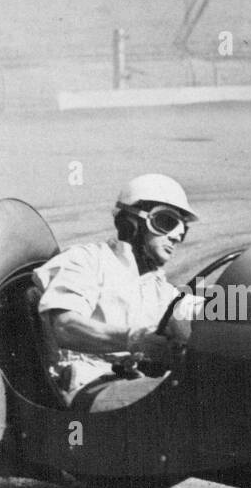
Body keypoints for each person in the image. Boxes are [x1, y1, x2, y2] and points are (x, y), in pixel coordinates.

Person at [34, 174, 204, 409]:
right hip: (89, 386)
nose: (176, 235)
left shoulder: (158, 288)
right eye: (167, 222)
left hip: (136, 382)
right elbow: (65, 327)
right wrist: (133, 339)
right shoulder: (86, 261)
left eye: (183, 229)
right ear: (131, 223)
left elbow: (197, 309)